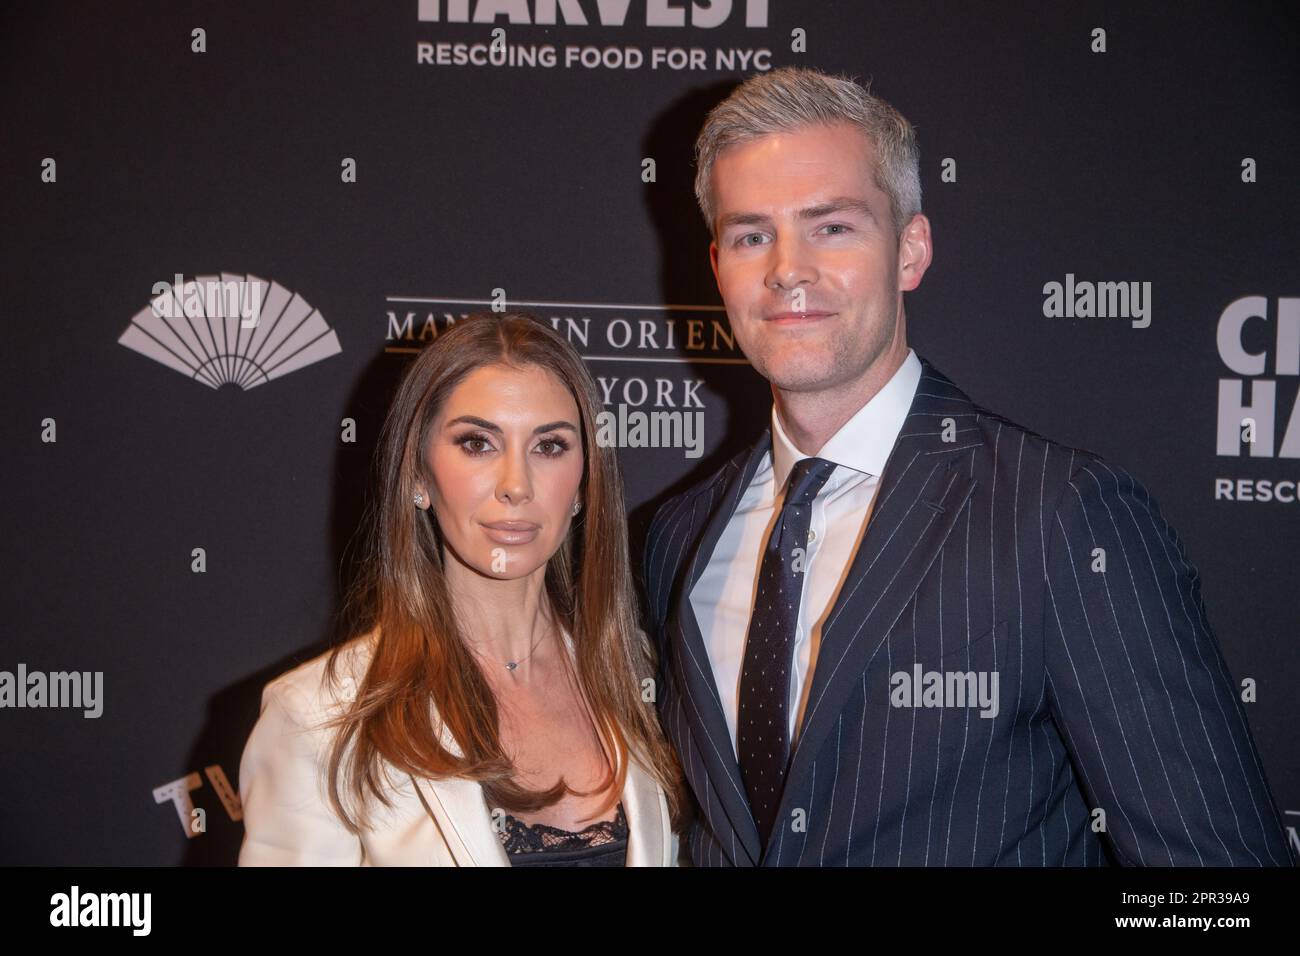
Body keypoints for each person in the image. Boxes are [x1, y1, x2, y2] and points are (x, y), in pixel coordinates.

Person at [642, 66, 1293, 866]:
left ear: (911, 250)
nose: (787, 269)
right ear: (718, 268)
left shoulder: (1061, 515)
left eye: (832, 227)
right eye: (752, 235)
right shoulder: (679, 538)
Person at [239, 312, 685, 866]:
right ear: (419, 476)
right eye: (477, 443)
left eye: (549, 446)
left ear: (583, 483)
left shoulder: (637, 679)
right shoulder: (320, 719)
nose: (516, 486)